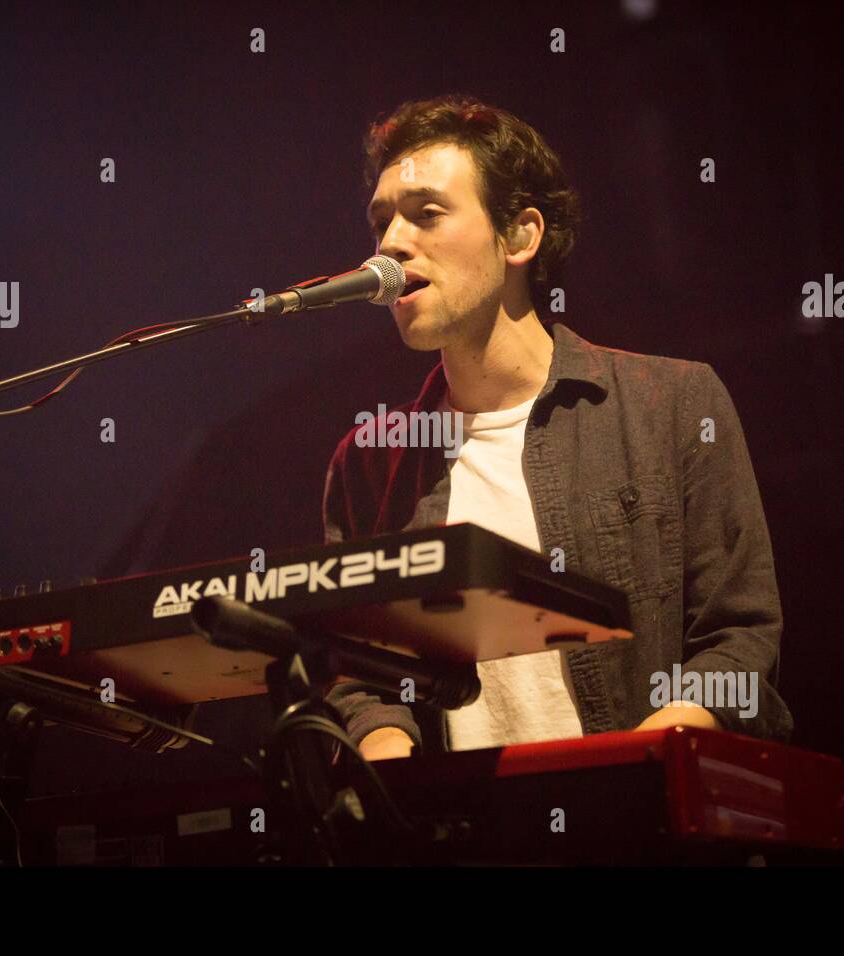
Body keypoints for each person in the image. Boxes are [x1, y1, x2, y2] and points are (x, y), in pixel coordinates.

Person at [322, 94, 790, 761]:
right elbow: (361, 672)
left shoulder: (677, 403)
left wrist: (639, 762)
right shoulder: (367, 464)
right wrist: (388, 750)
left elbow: (739, 634)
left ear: (521, 236)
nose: (392, 243)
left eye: (427, 213)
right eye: (382, 221)